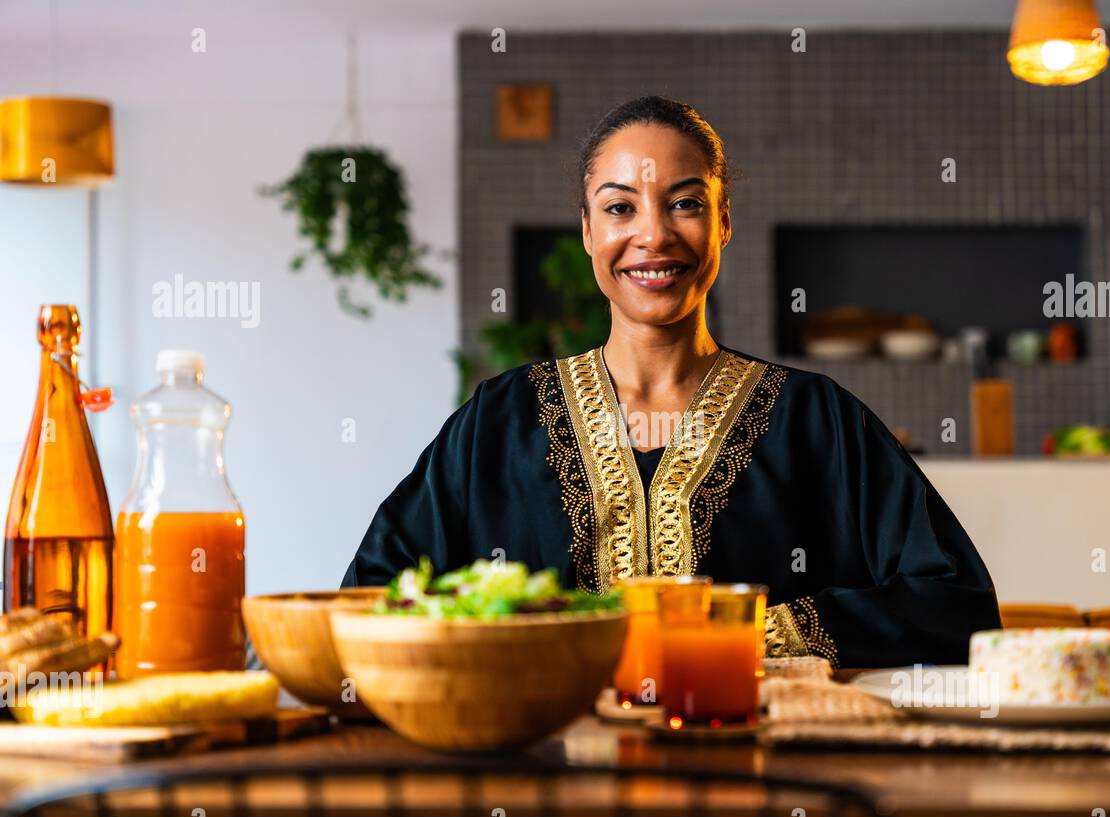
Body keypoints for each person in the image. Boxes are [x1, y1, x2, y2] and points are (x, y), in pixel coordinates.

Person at [343, 95, 1001, 668]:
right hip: (542, 788)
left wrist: (748, 634)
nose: (653, 235)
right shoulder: (497, 422)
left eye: (684, 203)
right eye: (620, 208)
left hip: (764, 790)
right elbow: (369, 600)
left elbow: (954, 603)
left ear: (723, 221)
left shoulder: (818, 421)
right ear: (588, 231)